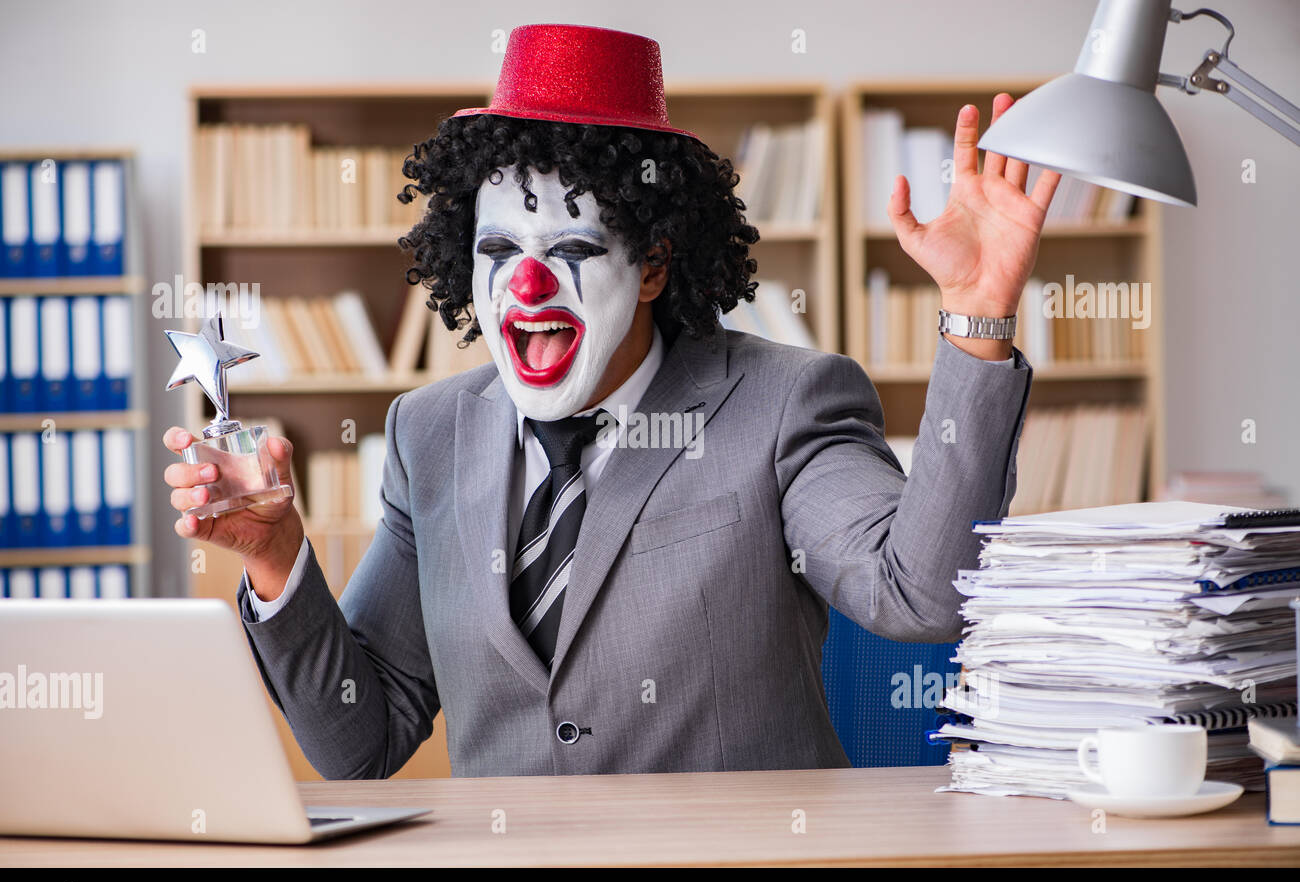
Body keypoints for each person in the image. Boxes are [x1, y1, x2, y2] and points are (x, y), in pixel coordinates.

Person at [163, 24, 1058, 778]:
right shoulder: (427, 433)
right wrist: (278, 562)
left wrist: (977, 316)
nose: (527, 283)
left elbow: (925, 596)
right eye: (500, 247)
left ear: (654, 267)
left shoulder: (785, 402)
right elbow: (361, 743)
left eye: (575, 248)